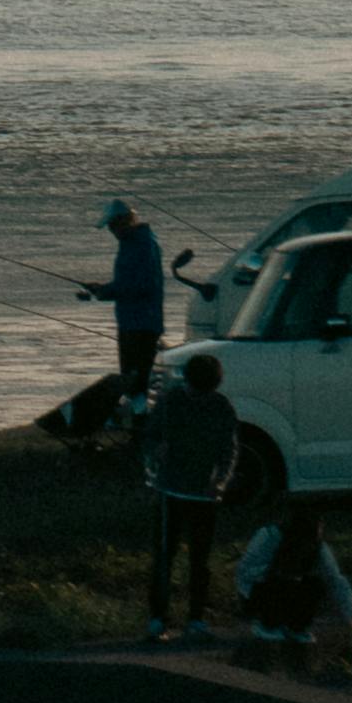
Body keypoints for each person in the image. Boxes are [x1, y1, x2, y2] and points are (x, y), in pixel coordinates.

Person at [137, 344, 240, 640]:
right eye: (196, 391)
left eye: (205, 392)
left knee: (200, 560)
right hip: (169, 491)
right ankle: (158, 619)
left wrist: (221, 481)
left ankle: (196, 618)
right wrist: (155, 450)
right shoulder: (170, 402)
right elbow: (149, 437)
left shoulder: (221, 406)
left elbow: (229, 450)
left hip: (203, 495)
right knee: (164, 557)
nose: (199, 397)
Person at [235, 498, 352, 674]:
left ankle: (297, 626)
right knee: (280, 583)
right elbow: (244, 573)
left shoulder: (319, 548)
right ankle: (268, 624)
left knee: (315, 585)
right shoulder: (268, 537)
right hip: (260, 591)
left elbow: (335, 580)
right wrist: (274, 572)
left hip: (289, 591)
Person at [75, 200, 172, 412]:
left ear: (125, 221)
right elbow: (129, 283)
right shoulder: (132, 243)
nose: (112, 231)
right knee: (131, 377)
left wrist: (107, 291)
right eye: (110, 227)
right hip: (132, 321)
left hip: (142, 323)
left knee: (135, 379)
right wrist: (103, 290)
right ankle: (136, 415)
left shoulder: (143, 244)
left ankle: (139, 418)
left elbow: (144, 285)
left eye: (113, 225)